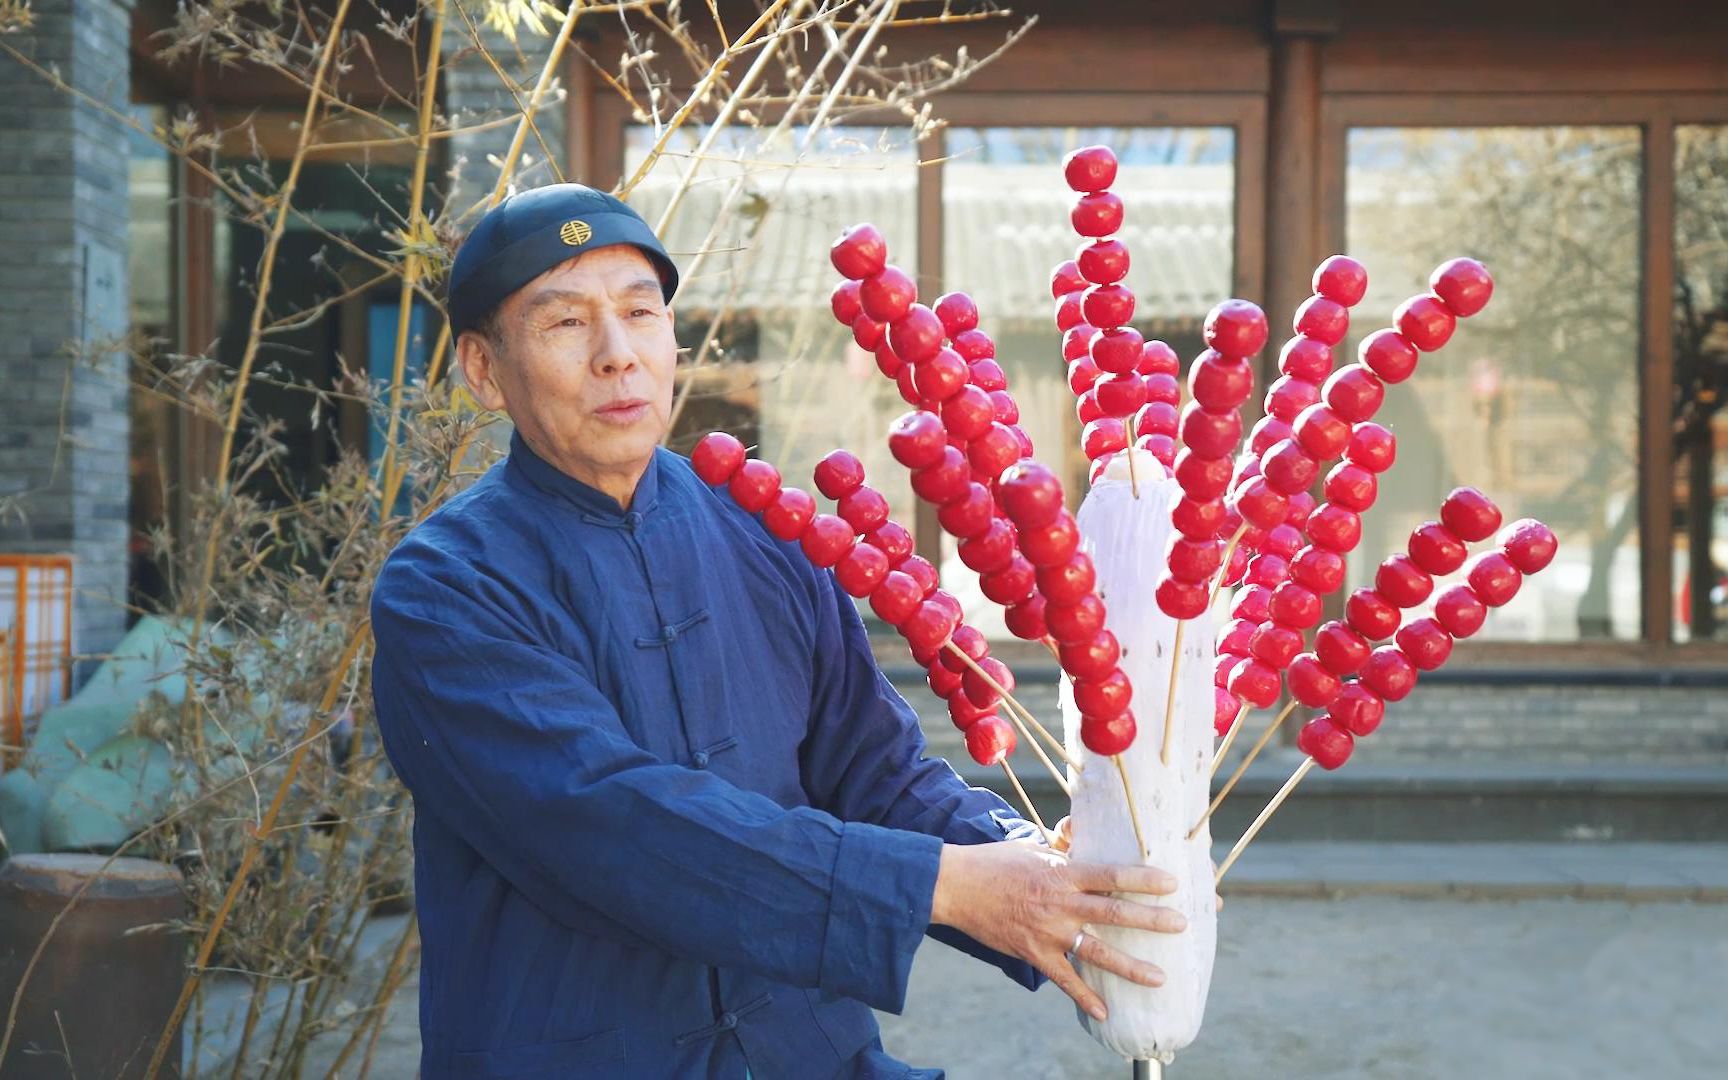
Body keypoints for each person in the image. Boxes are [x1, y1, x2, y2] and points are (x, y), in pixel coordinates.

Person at [369, 183, 1185, 1079]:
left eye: (641, 314)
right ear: (484, 370)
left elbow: (872, 769)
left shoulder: (763, 526)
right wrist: (942, 887)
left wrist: (1034, 862)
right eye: (566, 324)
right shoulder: (445, 588)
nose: (618, 355)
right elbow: (614, 825)